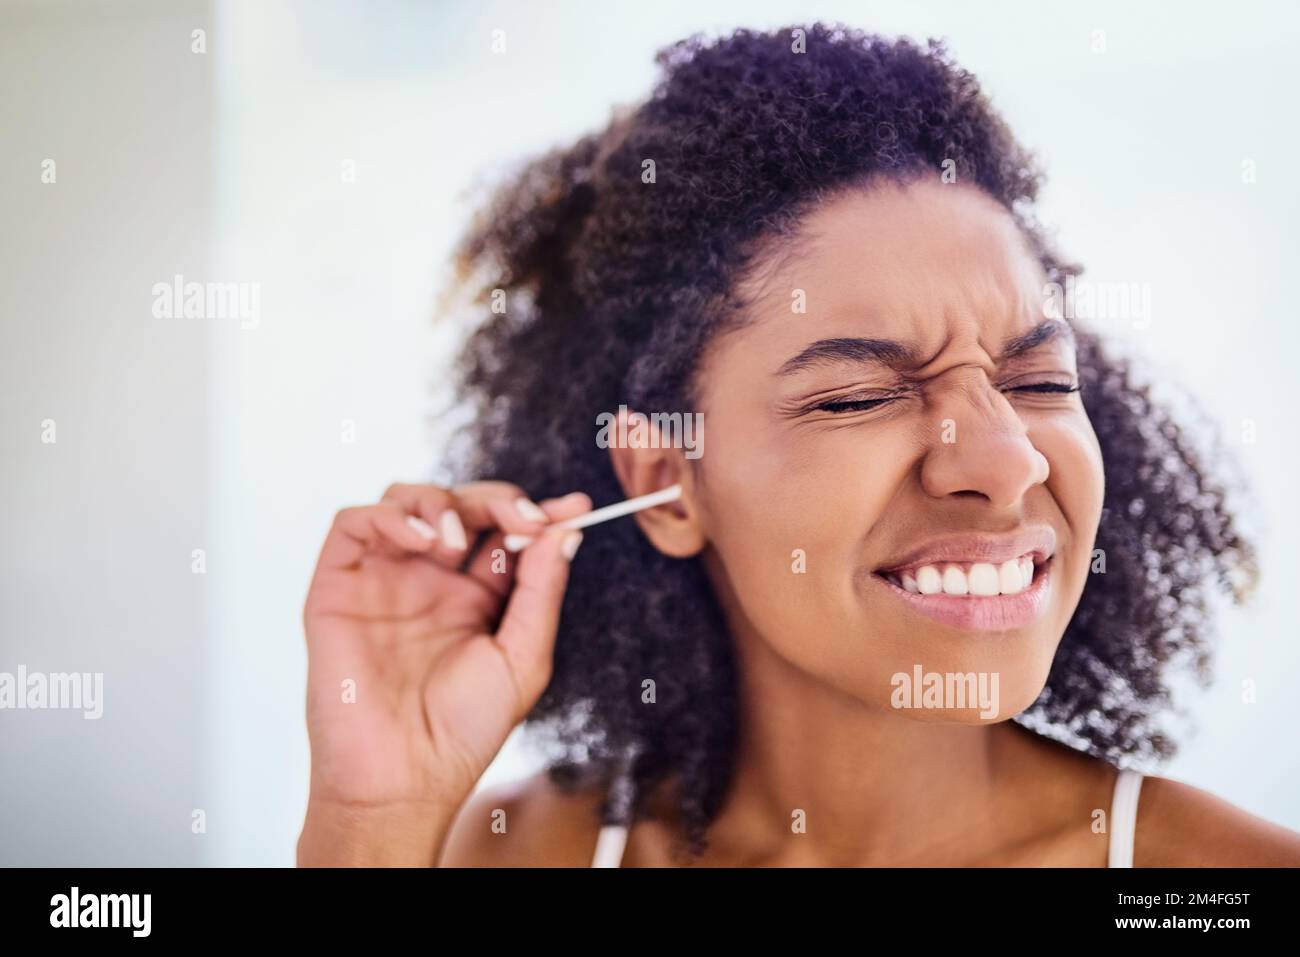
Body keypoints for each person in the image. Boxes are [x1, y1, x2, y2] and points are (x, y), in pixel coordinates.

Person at [295, 24, 1300, 867]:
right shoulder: (511, 855)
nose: (1006, 462)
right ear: (668, 480)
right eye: (859, 396)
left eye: (1038, 383)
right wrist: (372, 822)